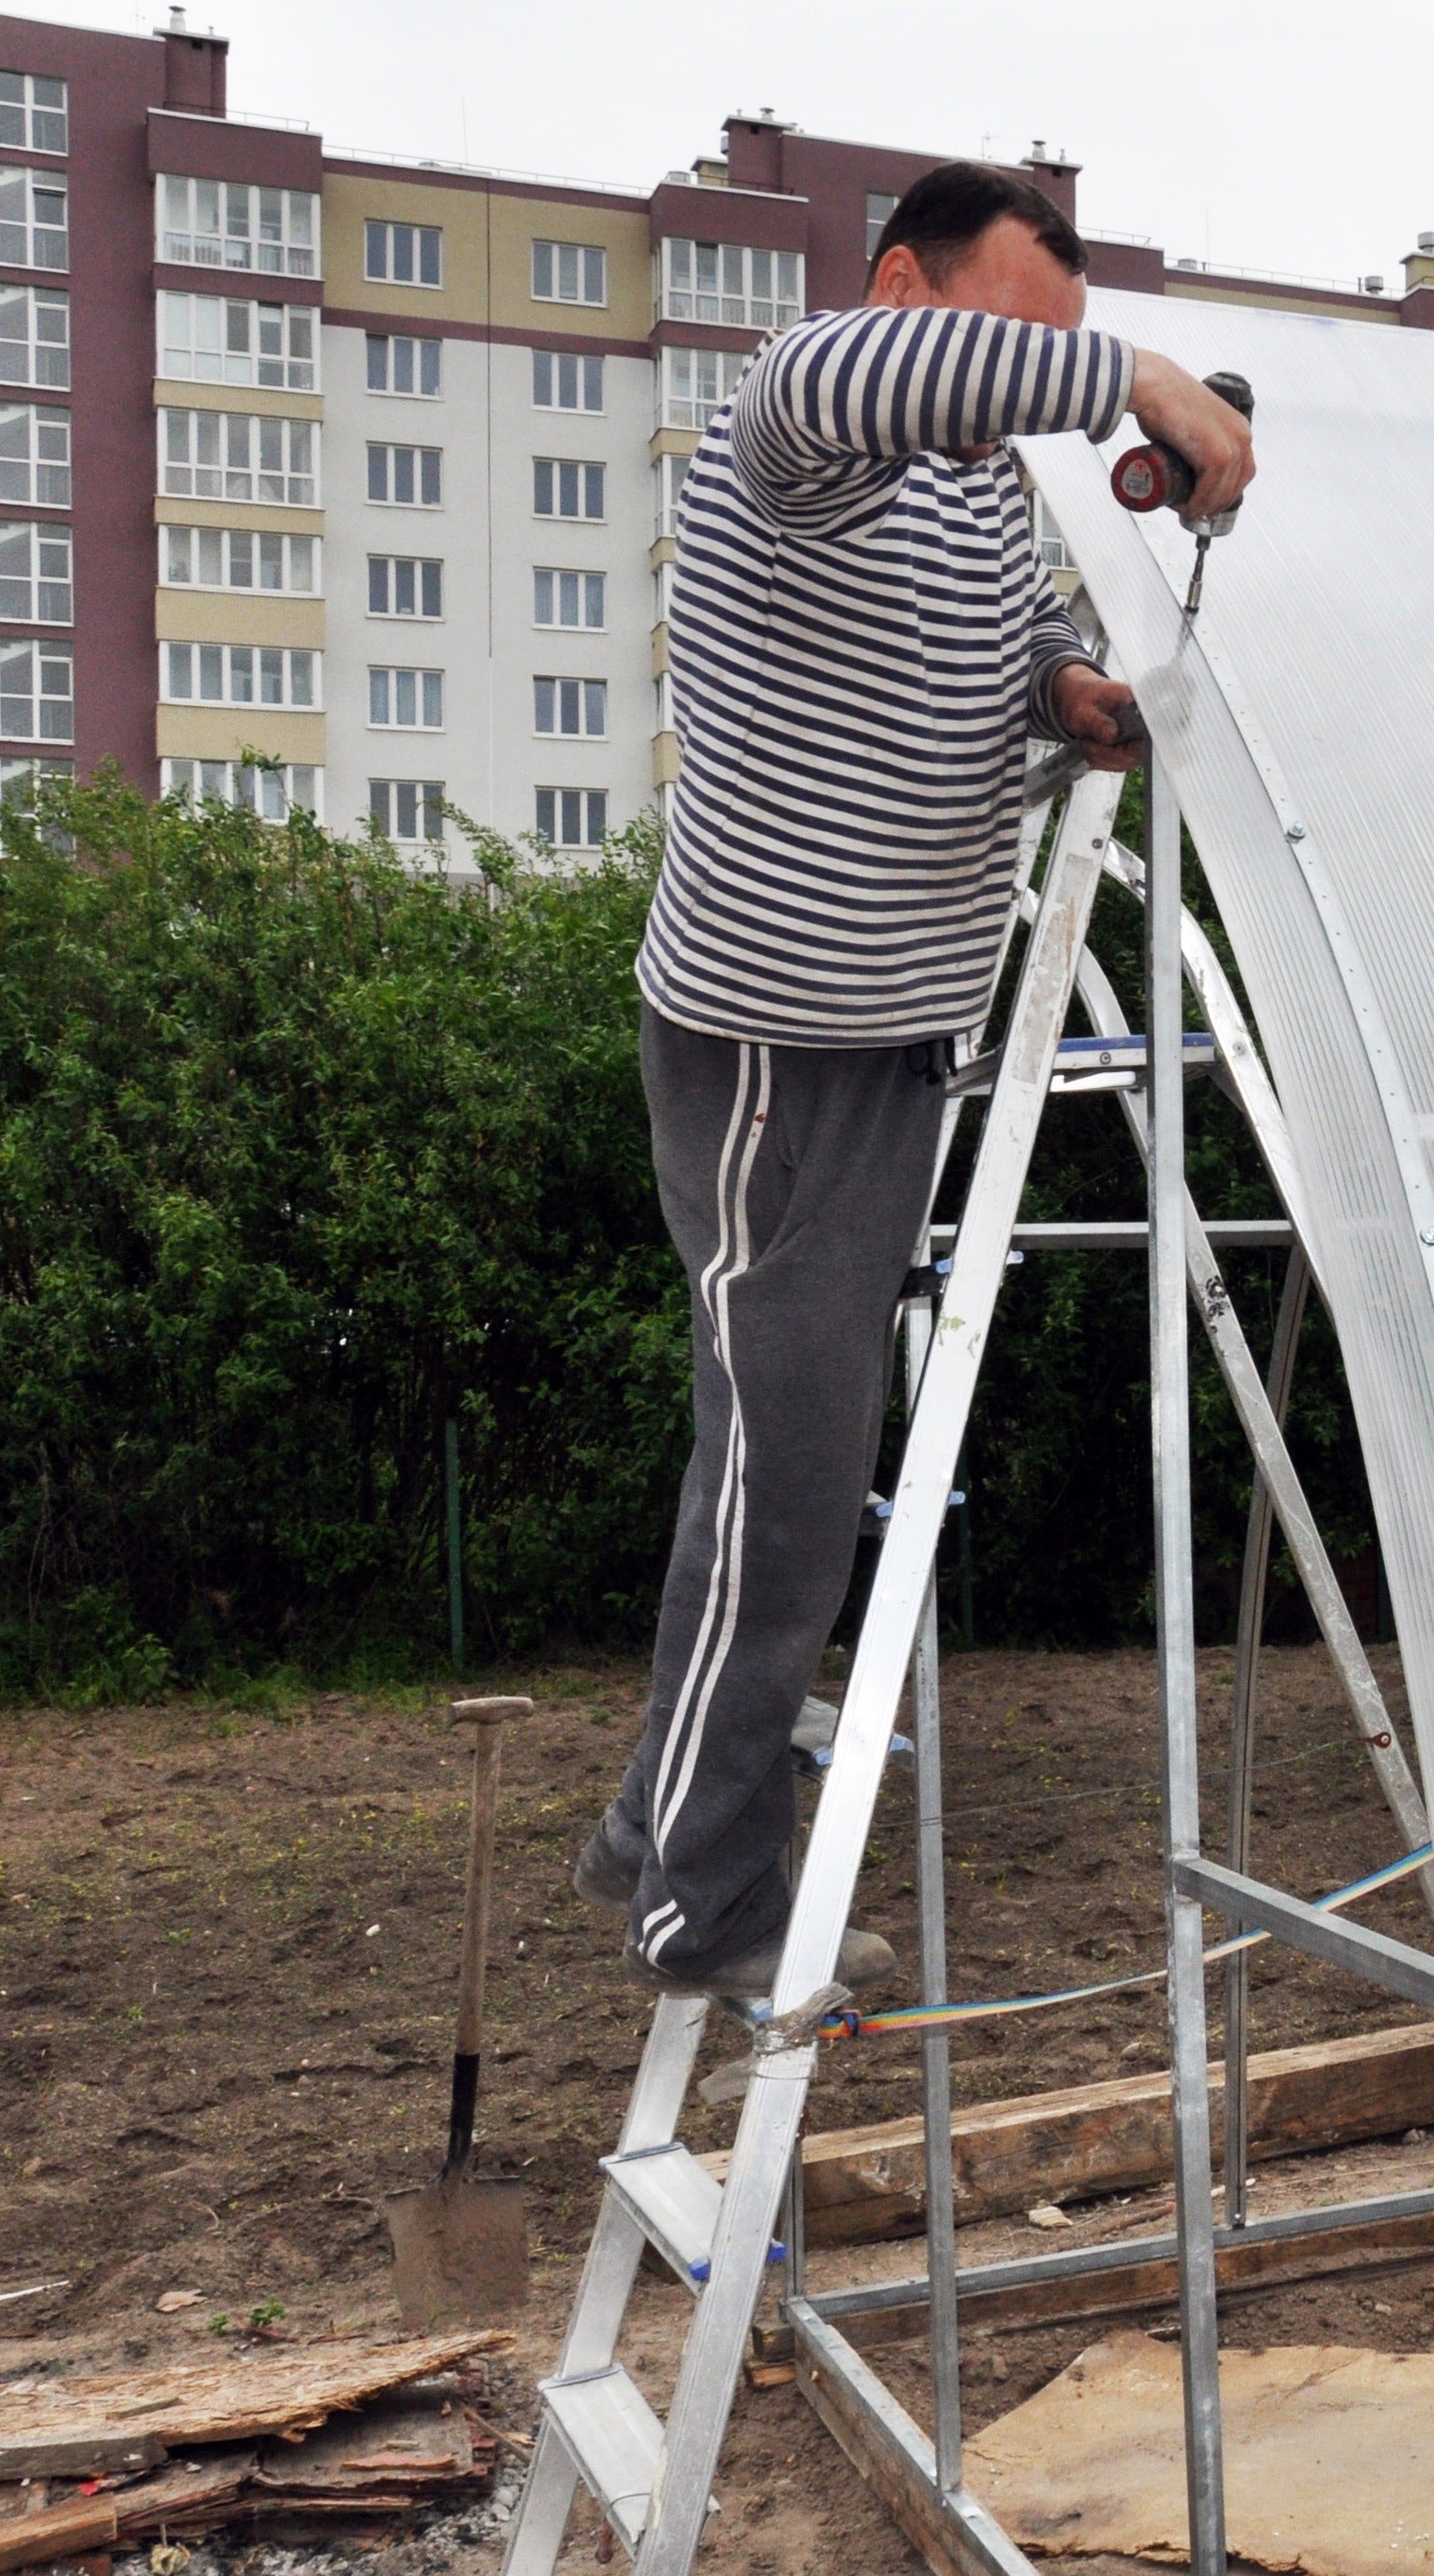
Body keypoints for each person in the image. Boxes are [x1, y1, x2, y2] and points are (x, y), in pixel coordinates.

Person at [569, 161, 1255, 2002]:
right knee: (782, 1472)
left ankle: (654, 1835)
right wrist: (1133, 380)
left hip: (896, 1031)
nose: (1017, 388)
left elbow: (981, 656)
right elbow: (863, 387)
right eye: (996, 339)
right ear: (897, 289)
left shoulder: (969, 506)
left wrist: (1064, 695)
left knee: (796, 1461)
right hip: (775, 1040)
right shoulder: (790, 427)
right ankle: (691, 1896)